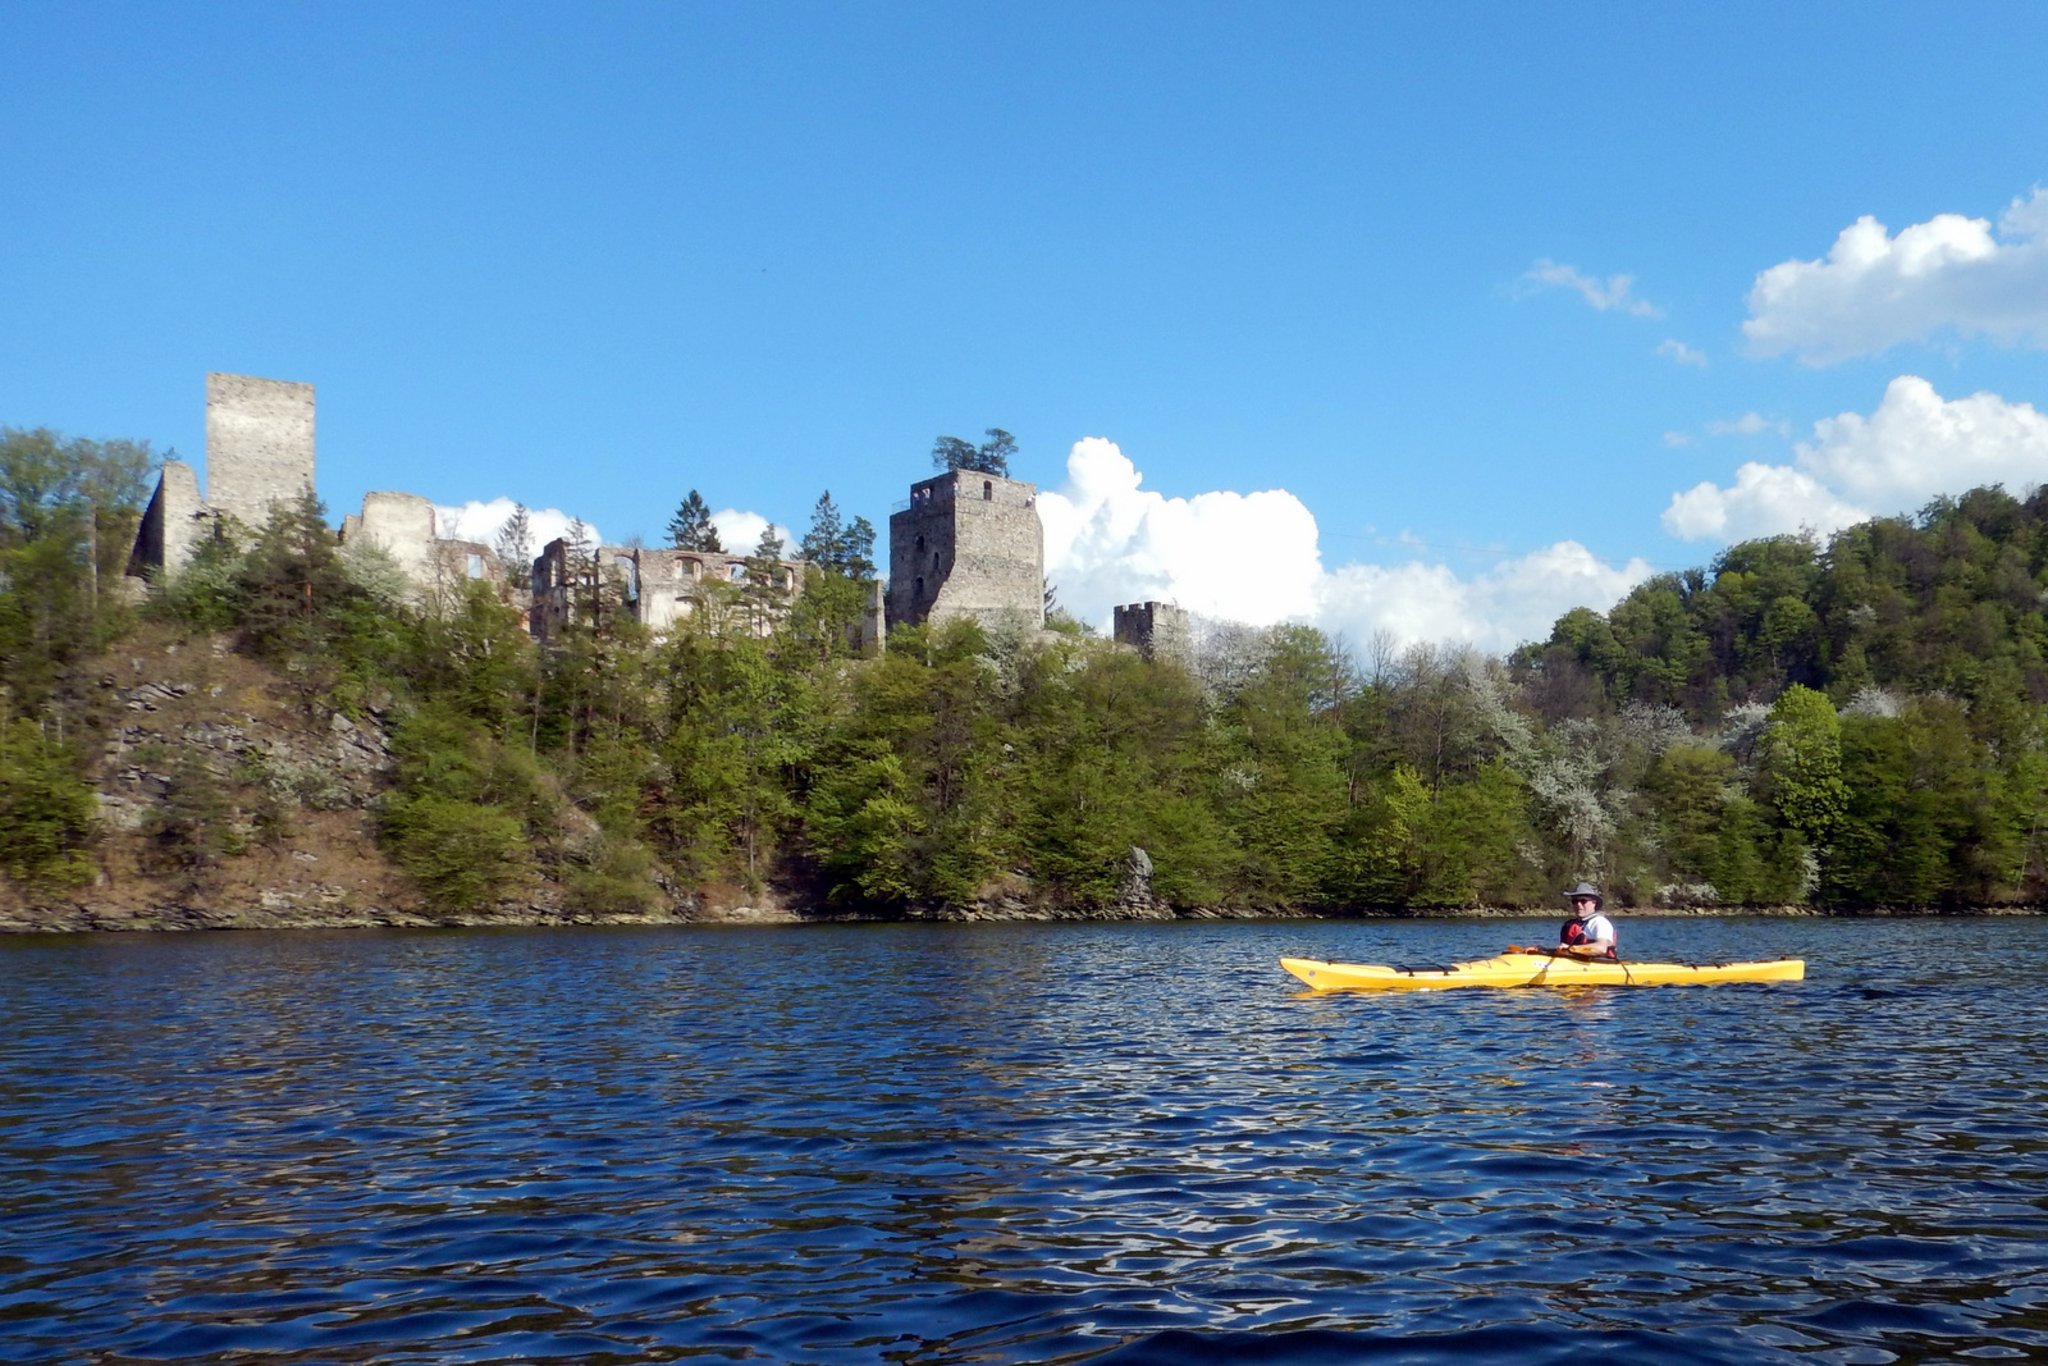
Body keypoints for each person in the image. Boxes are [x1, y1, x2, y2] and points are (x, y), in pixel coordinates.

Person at [1556, 881, 1618, 958]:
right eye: (1574, 901)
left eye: (1583, 901)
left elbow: (1601, 948)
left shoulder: (1600, 922)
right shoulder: (1573, 923)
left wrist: (1570, 948)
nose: (1578, 904)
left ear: (1594, 903)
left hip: (1597, 965)